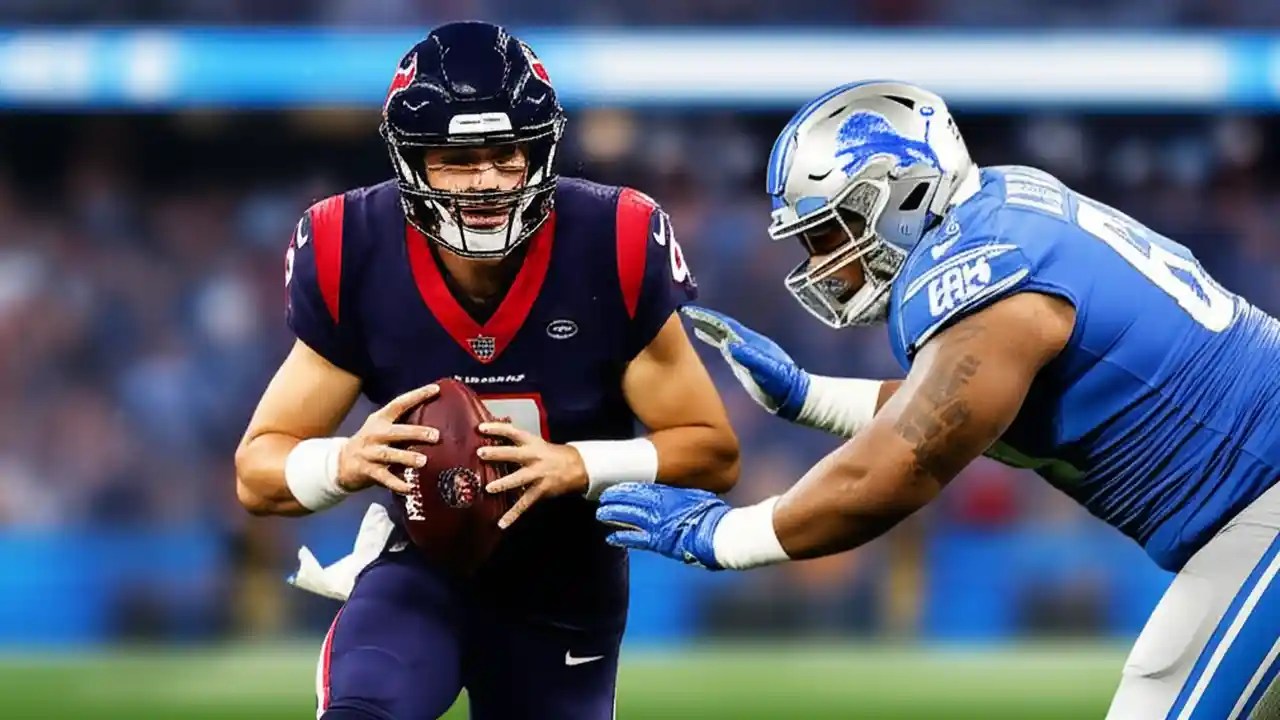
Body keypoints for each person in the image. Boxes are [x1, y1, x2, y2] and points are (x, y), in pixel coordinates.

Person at [596, 80, 1280, 717]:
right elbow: (966, 409)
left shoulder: (982, 270)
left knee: (1159, 698)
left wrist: (724, 534)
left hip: (1266, 497)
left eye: (830, 231)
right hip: (1255, 492)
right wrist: (810, 397)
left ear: (899, 197)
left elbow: (900, 467)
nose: (822, 263)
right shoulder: (1000, 214)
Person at [233, 21, 739, 720]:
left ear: (541, 150)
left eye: (507, 153)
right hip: (421, 567)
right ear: (412, 161)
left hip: (567, 586)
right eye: (457, 158)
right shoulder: (352, 246)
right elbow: (257, 470)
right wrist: (344, 462)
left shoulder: (612, 240)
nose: (487, 181)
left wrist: (576, 465)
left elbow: (712, 451)